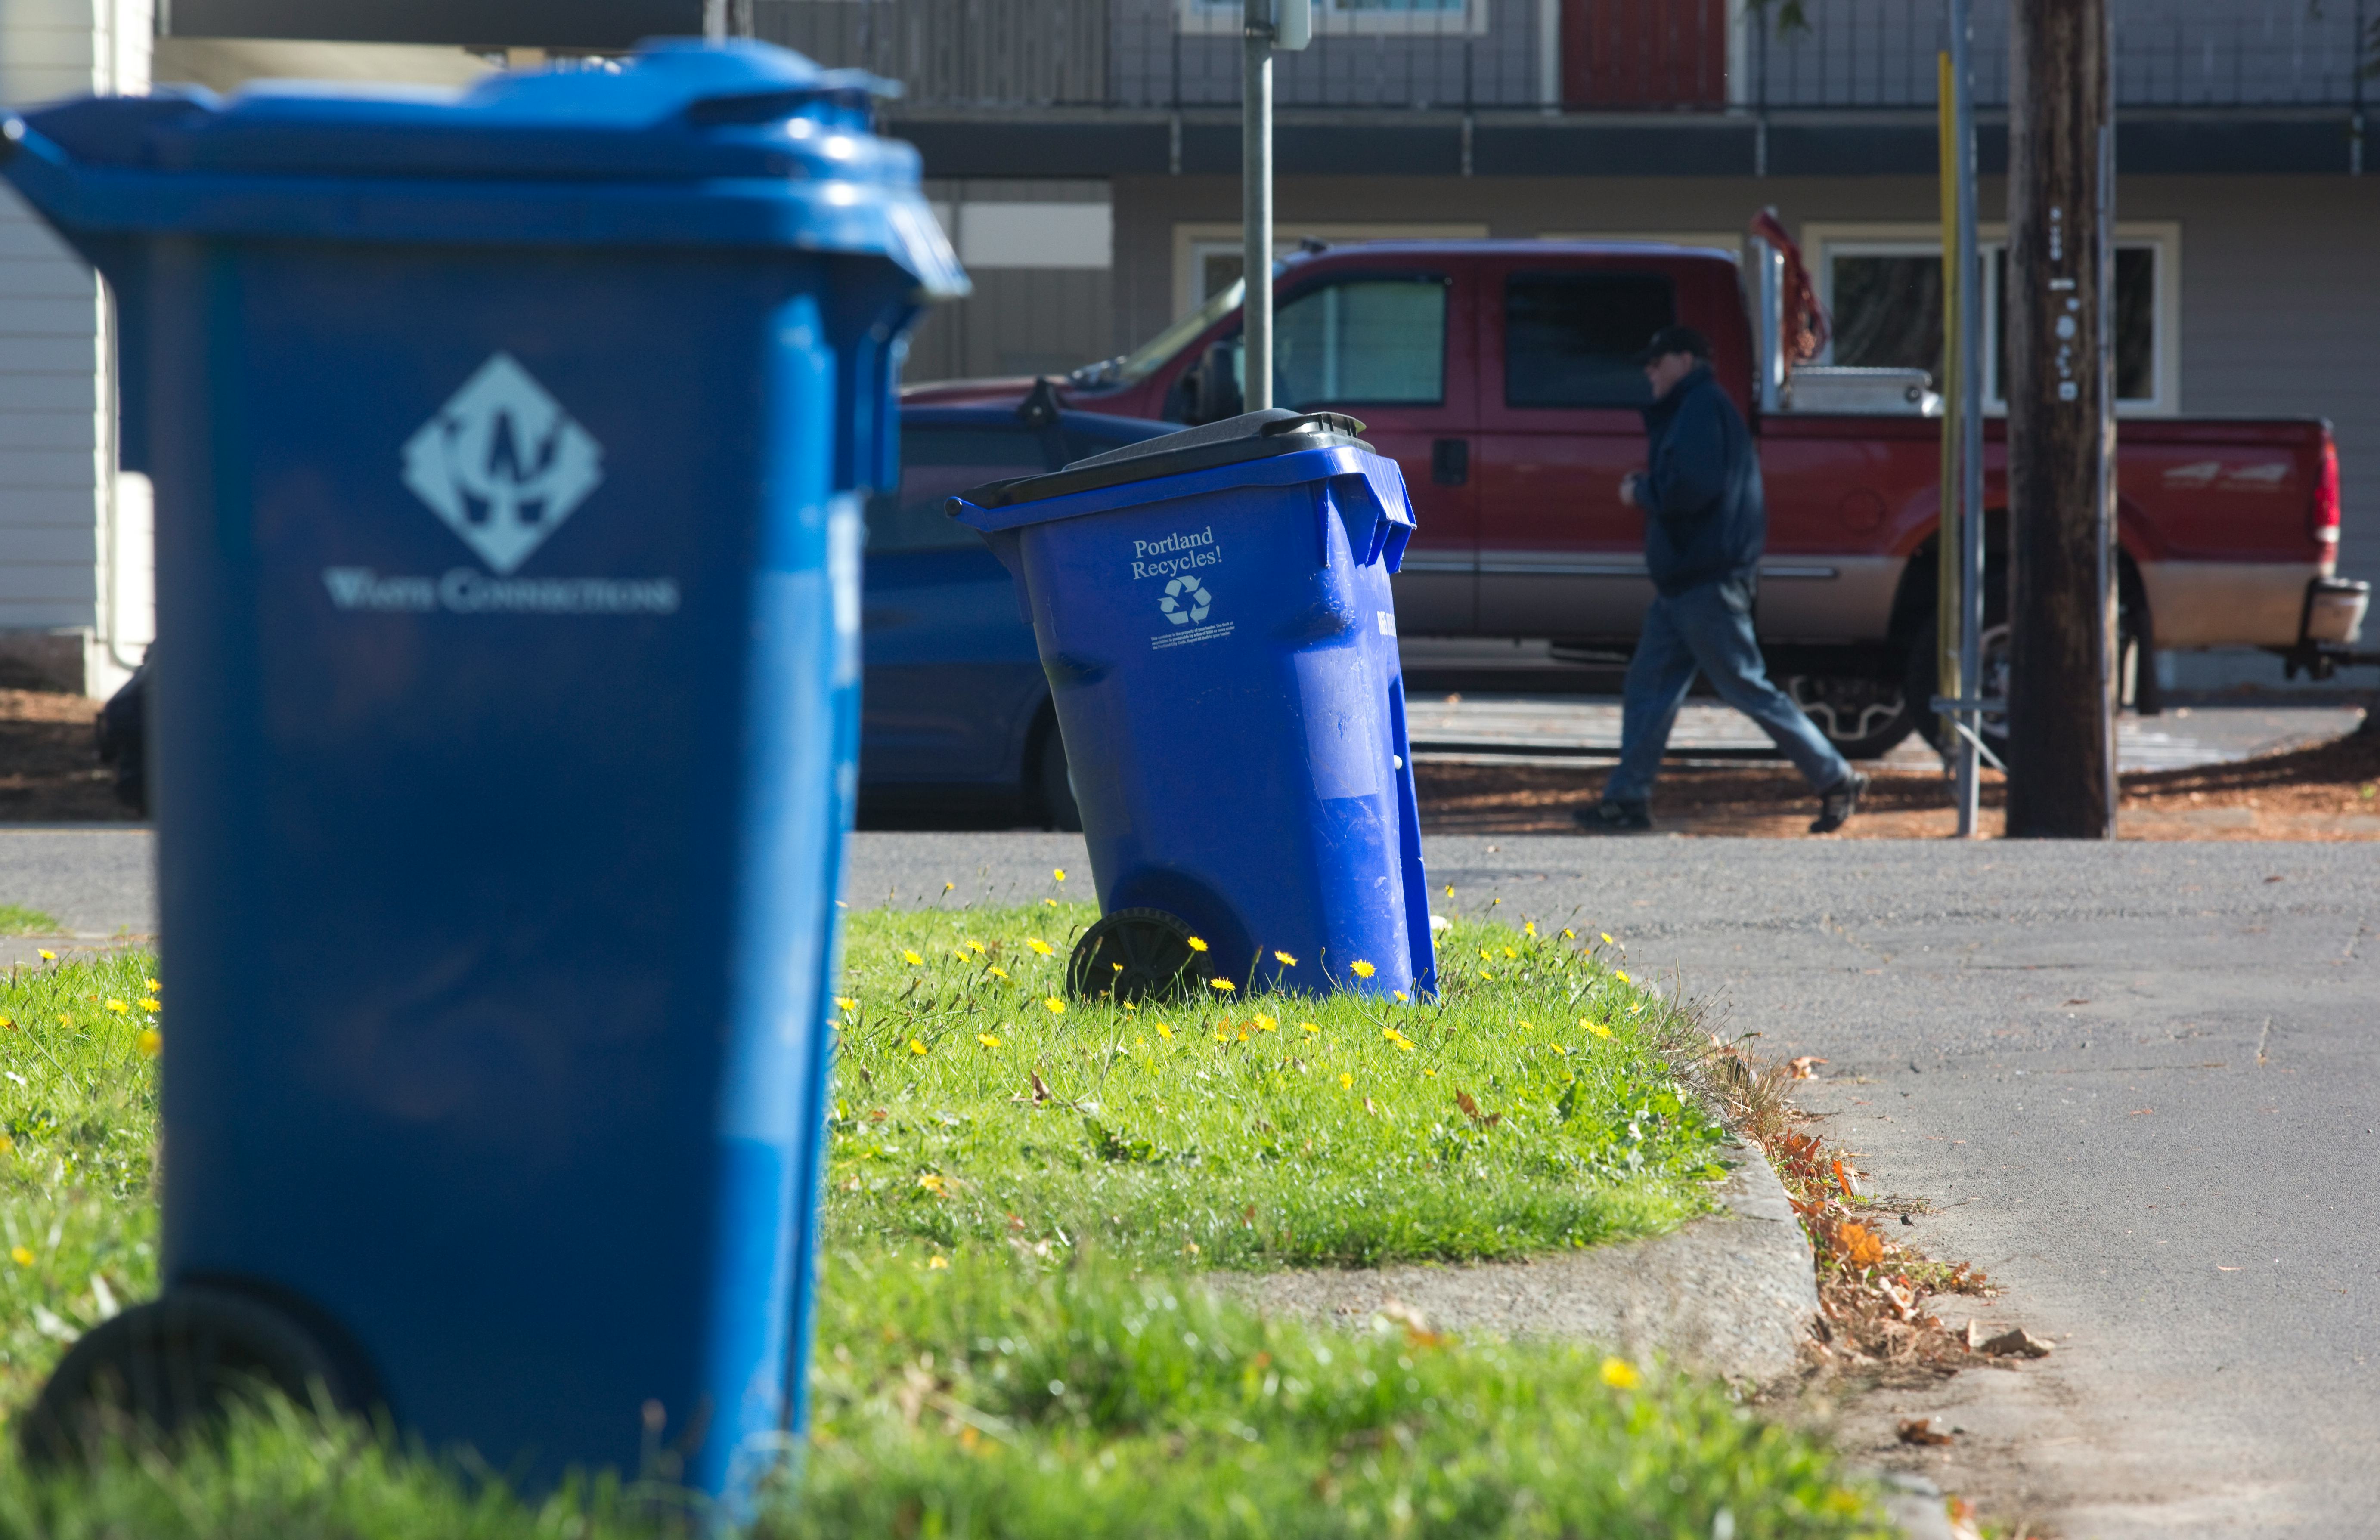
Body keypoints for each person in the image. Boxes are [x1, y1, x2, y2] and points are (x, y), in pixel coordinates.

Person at [1576, 325, 1868, 835]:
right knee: (1649, 688)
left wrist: (1640, 491)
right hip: (1685, 586)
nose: (1648, 371)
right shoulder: (1698, 407)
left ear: (1684, 359)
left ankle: (1835, 776)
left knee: (1746, 688)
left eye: (1656, 361)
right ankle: (1626, 799)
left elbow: (1692, 486)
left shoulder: (1699, 408)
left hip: (1706, 584)